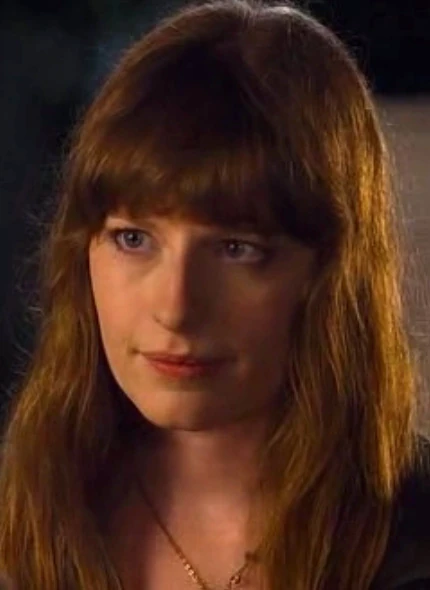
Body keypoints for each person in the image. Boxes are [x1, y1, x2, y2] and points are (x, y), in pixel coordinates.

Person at [0, 0, 429, 588]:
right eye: (133, 239)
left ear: (331, 274)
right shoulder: (26, 512)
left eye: (236, 249)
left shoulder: (410, 541)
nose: (175, 308)